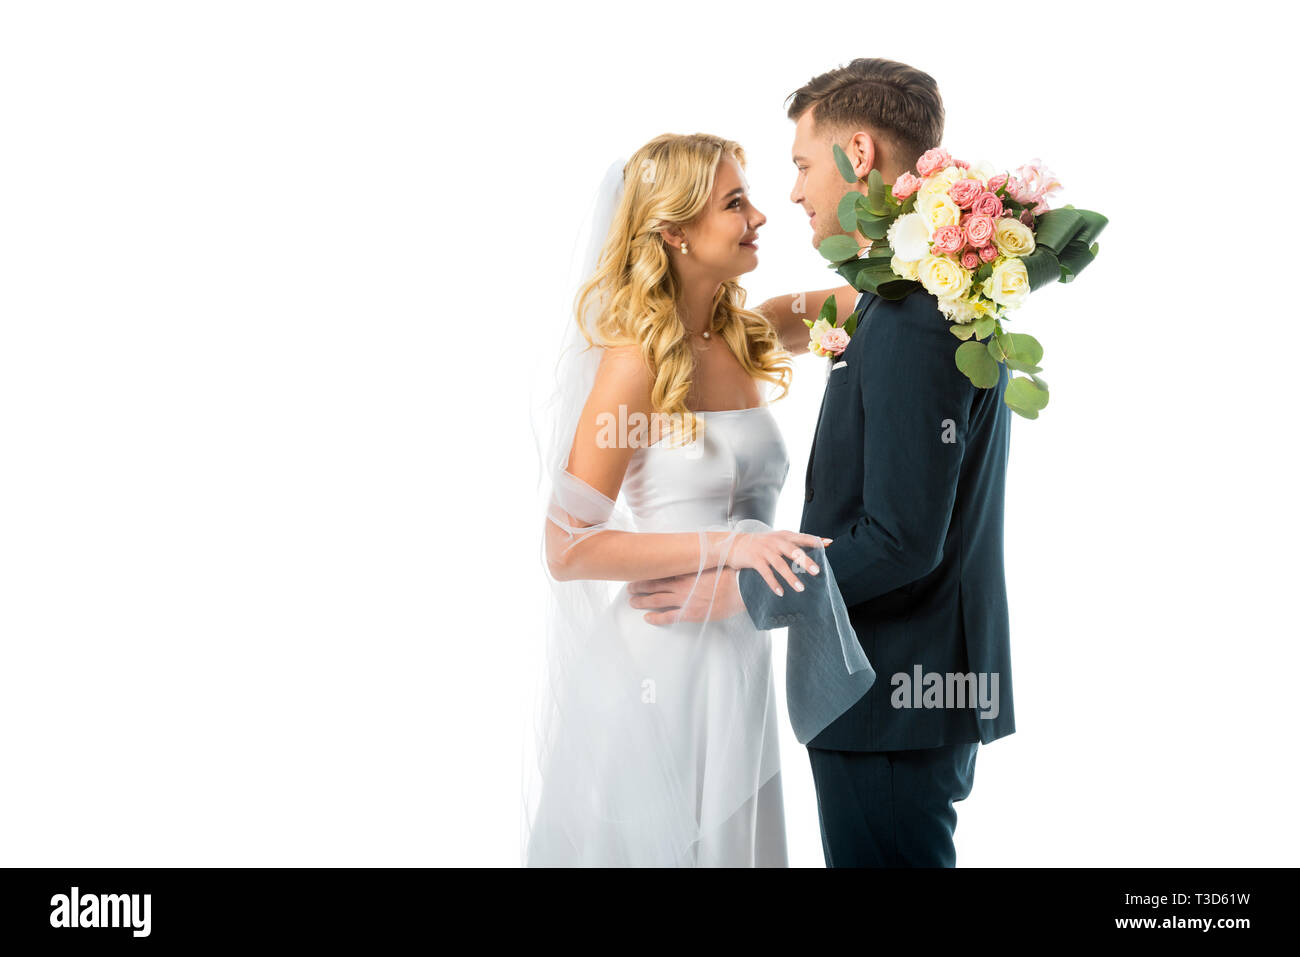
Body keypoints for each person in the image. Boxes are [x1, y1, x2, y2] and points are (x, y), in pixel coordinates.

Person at [627, 58, 1017, 867]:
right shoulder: (922, 297)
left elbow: (902, 541)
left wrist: (737, 592)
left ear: (860, 154)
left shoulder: (911, 315)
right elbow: (825, 312)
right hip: (908, 697)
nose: (794, 194)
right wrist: (718, 323)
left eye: (802, 165)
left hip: (888, 698)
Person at [522, 132, 876, 867]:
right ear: (674, 232)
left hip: (739, 656)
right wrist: (731, 546)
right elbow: (566, 545)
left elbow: (885, 301)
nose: (761, 216)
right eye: (734, 203)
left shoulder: (756, 331)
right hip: (660, 660)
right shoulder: (634, 363)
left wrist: (974, 236)